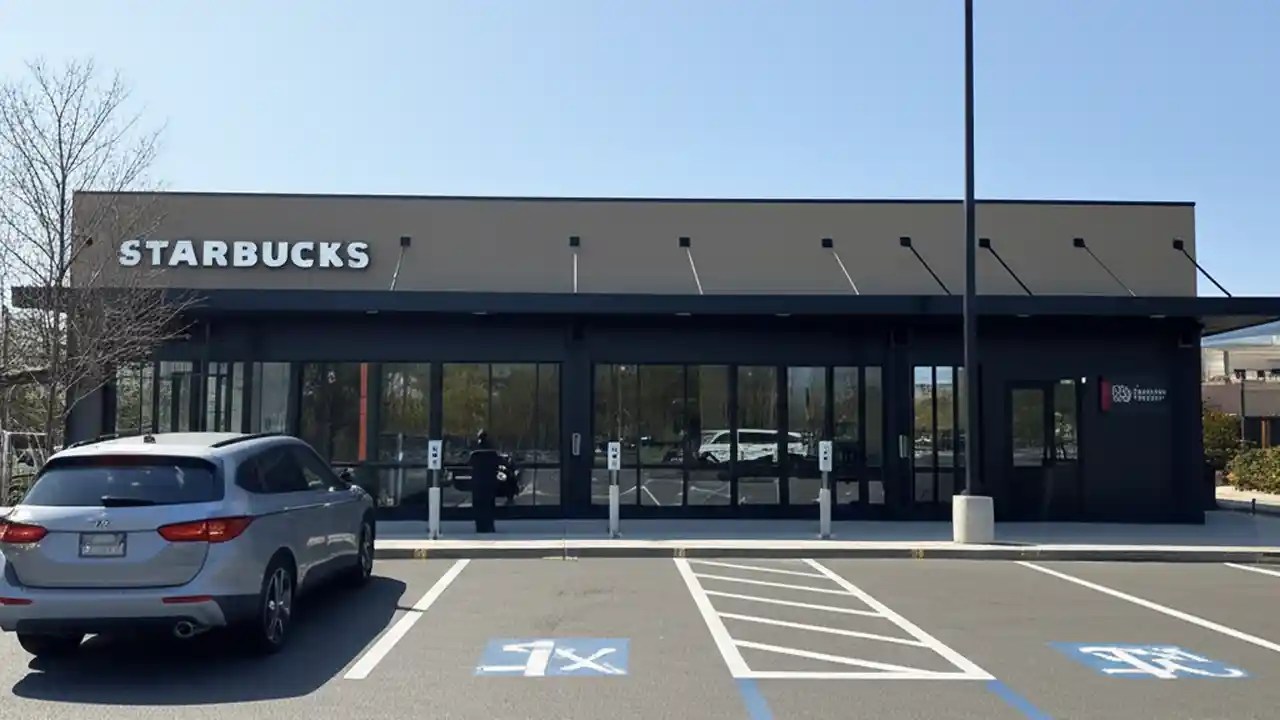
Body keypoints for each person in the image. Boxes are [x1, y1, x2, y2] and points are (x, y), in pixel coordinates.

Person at [467, 430, 500, 533]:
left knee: (478, 506)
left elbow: (469, 466)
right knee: (489, 506)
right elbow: (497, 465)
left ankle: (480, 526)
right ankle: (489, 526)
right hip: (489, 483)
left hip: (477, 483)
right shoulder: (492, 453)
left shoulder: (475, 453)